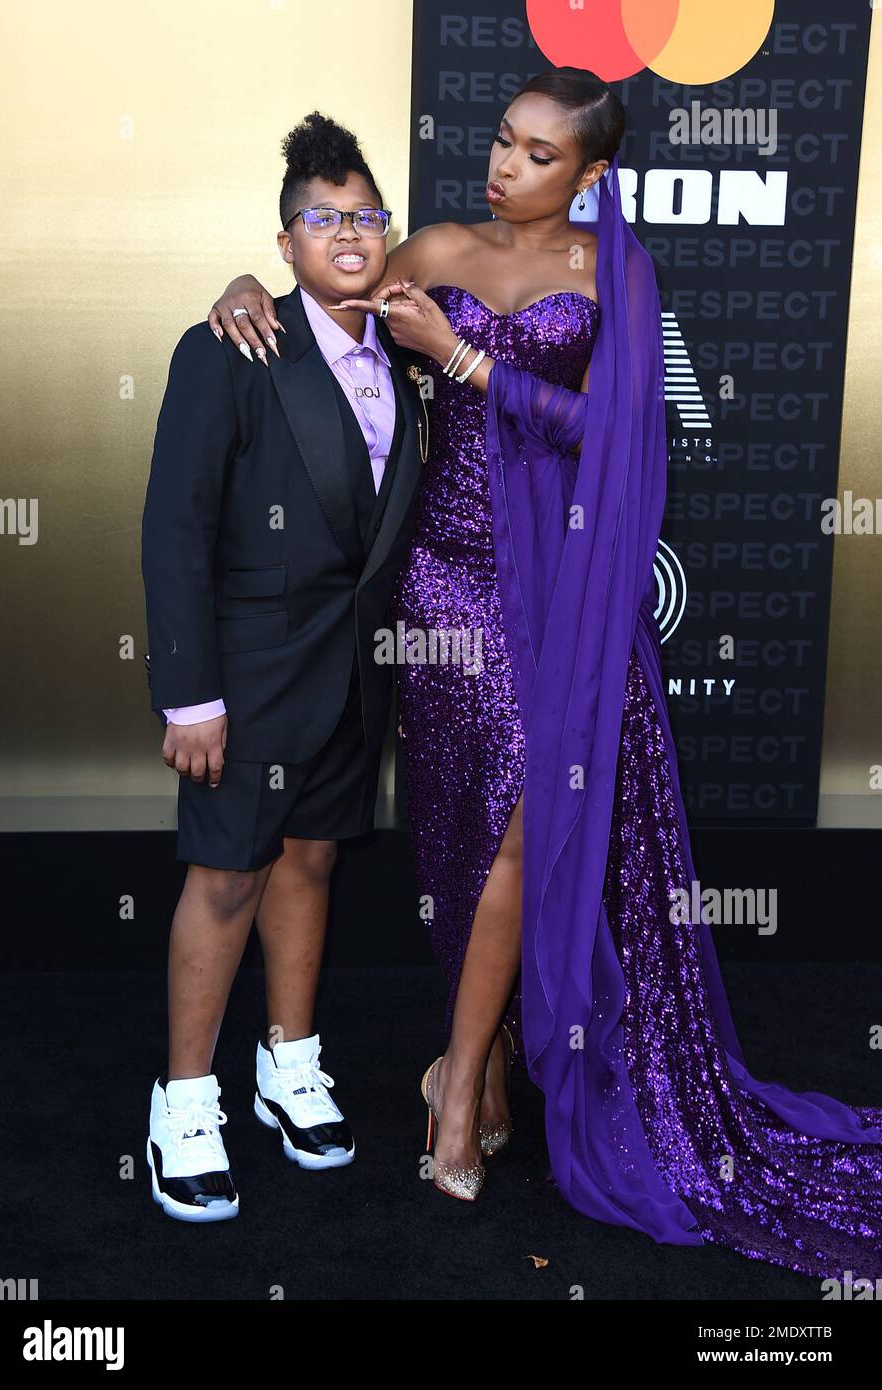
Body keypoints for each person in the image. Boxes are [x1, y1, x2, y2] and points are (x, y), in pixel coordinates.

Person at [208, 71, 882, 1276]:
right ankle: (483, 1057)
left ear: (589, 175)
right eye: (502, 143)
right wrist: (249, 285)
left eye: (535, 154)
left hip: (569, 579)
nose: (505, 167)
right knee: (472, 828)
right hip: (449, 582)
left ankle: (460, 1082)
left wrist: (462, 361)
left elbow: (616, 434)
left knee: (532, 820)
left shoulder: (609, 270)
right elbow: (330, 330)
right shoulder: (434, 244)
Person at [141, 112, 424, 1221]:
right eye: (324, 219)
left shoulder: (409, 344)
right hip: (246, 682)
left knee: (311, 866)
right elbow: (175, 528)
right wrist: (189, 692)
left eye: (366, 215)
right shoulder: (231, 344)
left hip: (356, 675)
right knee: (226, 879)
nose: (349, 234)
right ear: (287, 236)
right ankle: (185, 1099)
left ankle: (288, 1064)